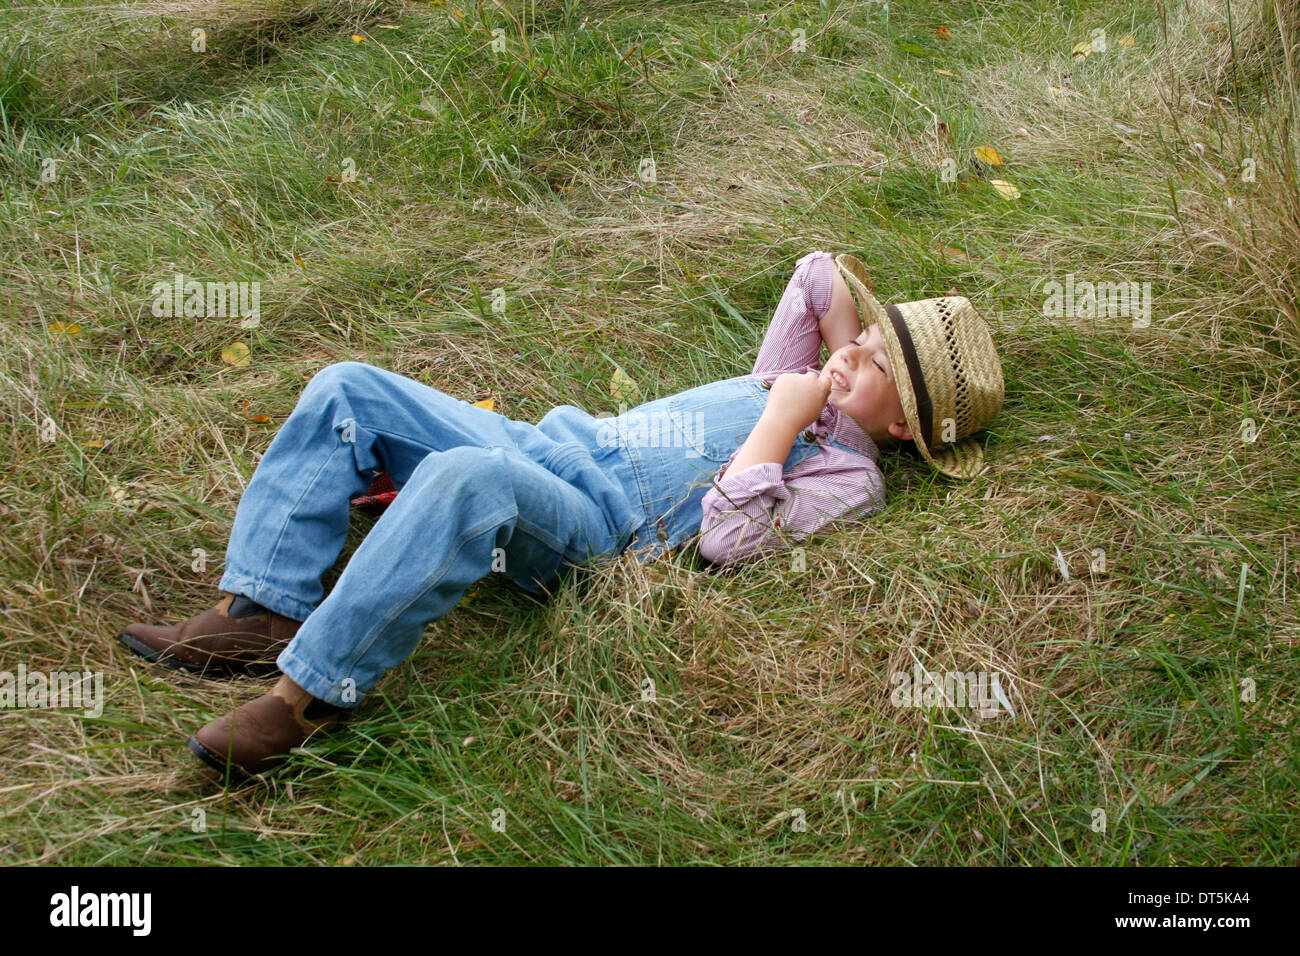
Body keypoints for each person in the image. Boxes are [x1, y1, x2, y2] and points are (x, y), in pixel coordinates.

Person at [116, 250, 1005, 778]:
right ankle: (262, 602)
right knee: (349, 387)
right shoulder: (800, 371)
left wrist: (785, 422)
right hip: (549, 440)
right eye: (866, 334)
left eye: (881, 360)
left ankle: (309, 691)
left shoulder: (847, 474)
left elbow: (732, 541)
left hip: (595, 523)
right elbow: (815, 273)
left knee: (469, 479)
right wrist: (845, 355)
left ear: (903, 425)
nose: (852, 349)